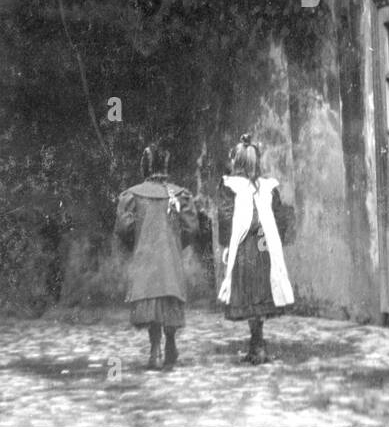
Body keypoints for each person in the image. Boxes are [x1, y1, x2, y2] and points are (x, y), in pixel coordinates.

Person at [115, 144, 198, 370]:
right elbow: (191, 227)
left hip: (146, 258)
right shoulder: (180, 195)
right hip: (170, 258)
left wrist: (138, 242)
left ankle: (155, 349)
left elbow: (123, 228)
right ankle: (170, 343)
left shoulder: (133, 195)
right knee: (169, 297)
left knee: (152, 300)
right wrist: (177, 244)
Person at [217, 134, 295, 364]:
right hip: (264, 247)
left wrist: (226, 244)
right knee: (261, 293)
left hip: (243, 248)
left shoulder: (230, 186)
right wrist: (274, 241)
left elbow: (225, 217)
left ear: (237, 162)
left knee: (249, 295)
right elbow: (280, 218)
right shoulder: (268, 187)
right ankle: (257, 342)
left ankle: (257, 344)